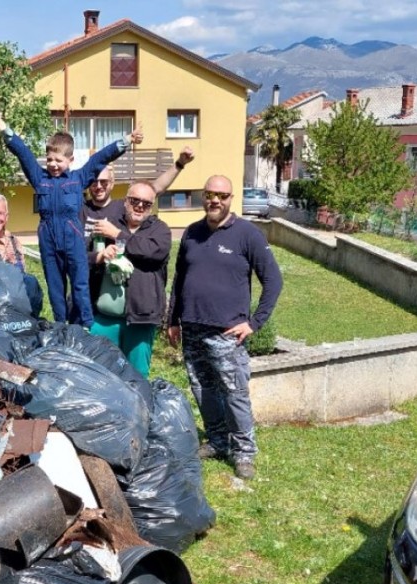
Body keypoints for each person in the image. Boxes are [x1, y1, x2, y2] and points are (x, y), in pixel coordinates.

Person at [167, 175, 283, 480]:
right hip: (192, 327)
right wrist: (172, 319)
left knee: (234, 393)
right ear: (203, 196)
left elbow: (273, 280)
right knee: (202, 388)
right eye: (209, 194)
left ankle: (244, 451)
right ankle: (218, 441)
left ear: (231, 198)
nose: (215, 200)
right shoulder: (192, 233)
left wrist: (255, 322)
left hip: (227, 333)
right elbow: (179, 279)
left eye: (222, 195)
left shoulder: (248, 234)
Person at [0, 108, 142, 327]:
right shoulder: (39, 178)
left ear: (71, 159)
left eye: (58, 160)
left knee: (80, 286)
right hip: (48, 240)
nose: (53, 164)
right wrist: (1, 125)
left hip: (73, 240)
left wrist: (126, 140)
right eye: (49, 159)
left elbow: (101, 158)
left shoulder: (79, 179)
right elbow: (22, 152)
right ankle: (61, 325)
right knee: (55, 287)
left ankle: (86, 326)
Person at [88, 182, 171, 378]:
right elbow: (86, 258)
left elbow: (152, 252)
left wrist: (117, 235)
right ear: (125, 201)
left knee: (137, 375)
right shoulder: (108, 225)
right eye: (135, 201)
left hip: (141, 317)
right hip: (105, 318)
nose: (140, 206)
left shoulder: (160, 230)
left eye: (146, 203)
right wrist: (101, 256)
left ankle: (138, 408)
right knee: (100, 373)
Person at [81, 146, 196, 230]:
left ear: (112, 183)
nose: (99, 186)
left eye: (104, 182)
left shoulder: (124, 207)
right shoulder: (80, 209)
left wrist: (180, 164)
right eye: (94, 182)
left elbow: (156, 188)